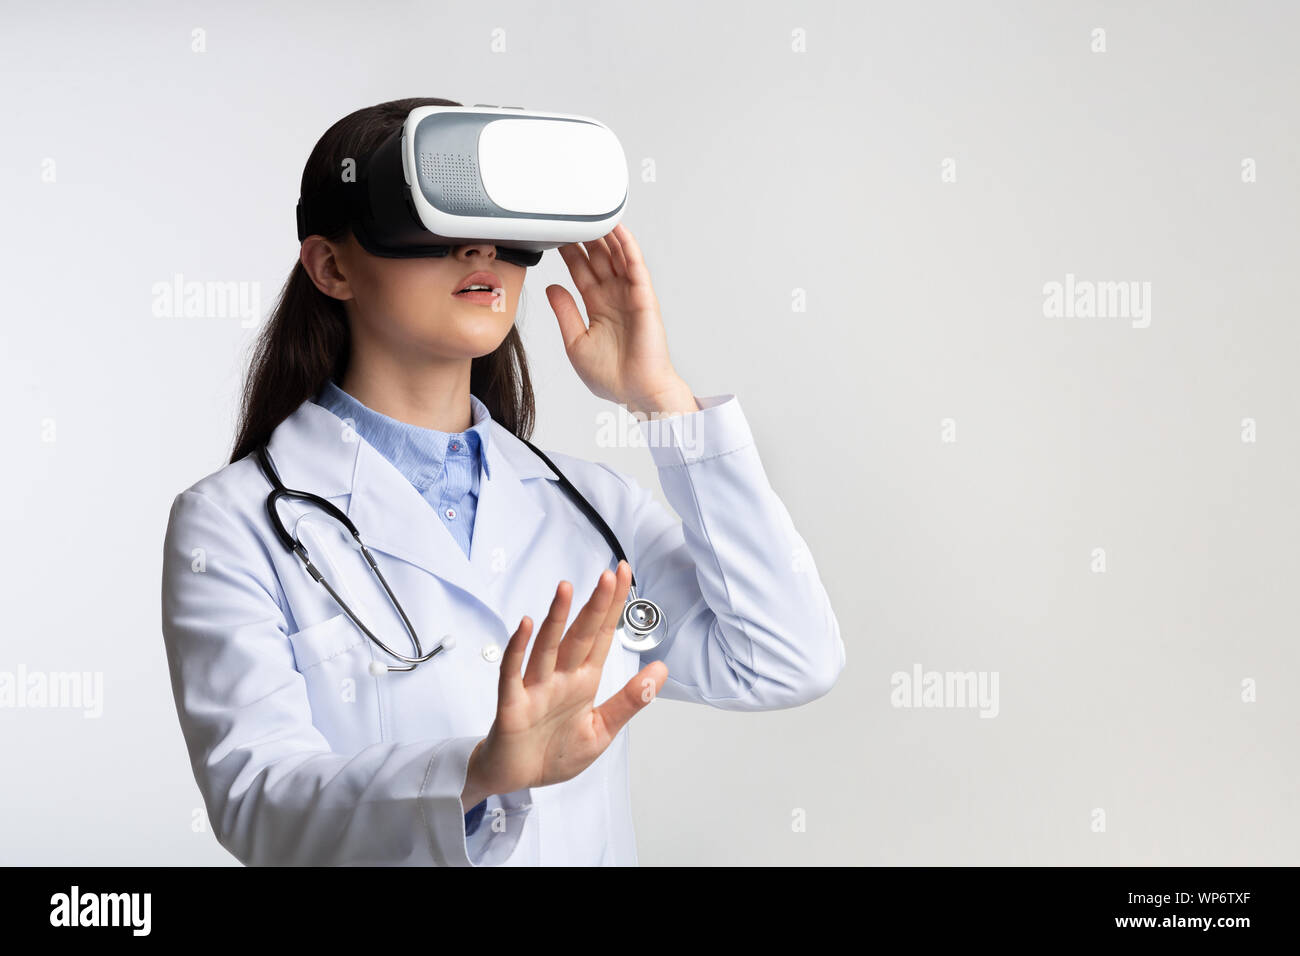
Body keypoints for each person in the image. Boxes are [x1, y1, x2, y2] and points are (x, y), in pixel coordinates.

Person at [159, 97, 845, 866]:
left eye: (498, 226)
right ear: (332, 266)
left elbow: (785, 656)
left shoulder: (591, 512)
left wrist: (661, 401)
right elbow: (260, 803)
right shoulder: (234, 525)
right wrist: (479, 773)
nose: (479, 248)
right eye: (433, 219)